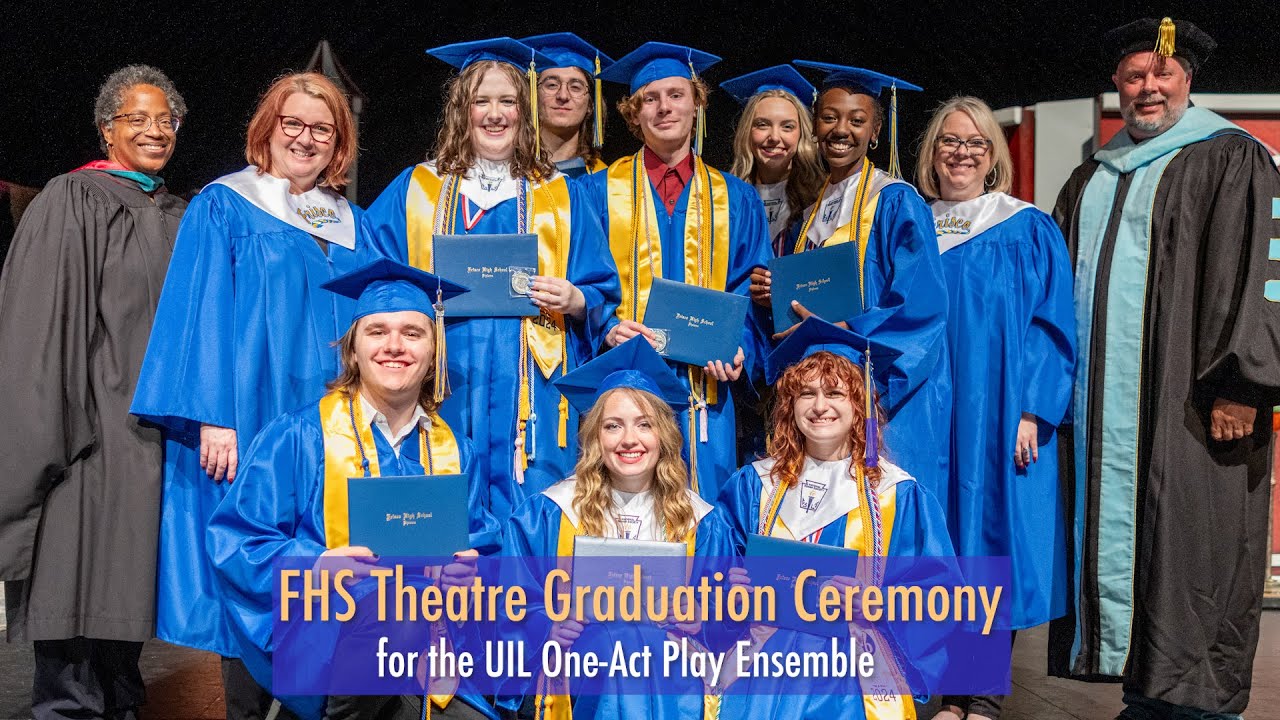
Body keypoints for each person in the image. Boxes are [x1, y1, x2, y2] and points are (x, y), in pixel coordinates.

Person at [1048, 17, 1280, 719]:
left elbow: (1262, 277)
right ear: (1117, 86)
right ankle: (1147, 695)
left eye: (1162, 73)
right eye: (1134, 76)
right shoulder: (1092, 177)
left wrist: (1243, 385)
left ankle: (1203, 706)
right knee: (1141, 551)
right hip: (1104, 414)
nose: (1148, 87)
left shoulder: (1232, 157)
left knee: (1198, 548)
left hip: (1197, 404)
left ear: (1187, 79)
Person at [130, 71, 365, 718]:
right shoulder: (226, 205)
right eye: (293, 124)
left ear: (339, 142)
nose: (306, 139)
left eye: (322, 129)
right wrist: (212, 417)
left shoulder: (354, 223)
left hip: (333, 427)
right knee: (257, 562)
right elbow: (198, 313)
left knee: (326, 557)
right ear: (269, 128)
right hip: (252, 419)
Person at [207, 258, 501, 720]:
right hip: (329, 648)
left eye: (413, 333)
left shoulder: (456, 452)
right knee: (395, 616)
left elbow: (482, 546)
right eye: (377, 331)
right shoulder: (299, 437)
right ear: (353, 350)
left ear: (433, 352)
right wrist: (316, 564)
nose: (394, 346)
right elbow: (236, 542)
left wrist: (470, 573)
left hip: (430, 657)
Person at [363, 37, 619, 527]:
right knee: (442, 486)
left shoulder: (559, 194)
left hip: (532, 389)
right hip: (443, 374)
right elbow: (378, 280)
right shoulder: (417, 188)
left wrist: (576, 298)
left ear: (525, 112)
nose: (495, 114)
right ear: (462, 110)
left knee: (532, 498)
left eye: (508, 101)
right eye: (482, 101)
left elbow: (601, 290)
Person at [0, 64, 187, 720]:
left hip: (147, 449)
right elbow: (39, 334)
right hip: (82, 446)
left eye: (167, 119)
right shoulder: (71, 199)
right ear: (107, 129)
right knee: (73, 631)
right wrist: (43, 450)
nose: (155, 130)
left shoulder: (178, 214)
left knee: (122, 640)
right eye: (138, 118)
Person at [917, 96, 1076, 720]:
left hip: (998, 413)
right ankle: (945, 689)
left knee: (988, 542)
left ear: (993, 156)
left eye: (975, 143)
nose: (961, 153)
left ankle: (979, 693)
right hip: (926, 414)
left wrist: (1033, 410)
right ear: (932, 153)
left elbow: (1050, 323)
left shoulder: (1024, 226)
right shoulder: (910, 224)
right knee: (937, 545)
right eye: (949, 141)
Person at [717, 317, 955, 720]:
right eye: (806, 393)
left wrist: (874, 603)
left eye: (835, 393)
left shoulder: (897, 495)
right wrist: (729, 587)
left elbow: (939, 597)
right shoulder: (753, 486)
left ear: (860, 405)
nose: (819, 406)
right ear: (789, 405)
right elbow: (713, 569)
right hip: (760, 671)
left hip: (853, 677)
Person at [504, 336, 735, 719]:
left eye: (644, 425)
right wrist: (548, 626)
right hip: (582, 676)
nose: (629, 440)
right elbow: (511, 602)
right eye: (613, 426)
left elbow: (731, 621)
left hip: (674, 681)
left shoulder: (702, 522)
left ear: (664, 436)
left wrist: (702, 619)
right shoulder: (549, 513)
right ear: (595, 437)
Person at [583, 41, 773, 503]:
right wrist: (607, 328)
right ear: (634, 114)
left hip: (705, 391)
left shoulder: (737, 198)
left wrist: (739, 349)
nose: (664, 107)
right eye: (650, 98)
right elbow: (584, 281)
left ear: (697, 104)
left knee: (704, 506)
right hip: (626, 386)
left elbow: (750, 294)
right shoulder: (595, 193)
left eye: (675, 95)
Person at [758, 61, 952, 504]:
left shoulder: (896, 201)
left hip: (882, 389)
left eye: (857, 120)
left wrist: (846, 329)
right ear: (815, 126)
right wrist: (775, 296)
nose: (841, 130)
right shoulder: (810, 210)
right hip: (822, 398)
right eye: (829, 117)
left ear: (875, 131)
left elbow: (920, 306)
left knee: (881, 507)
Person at [721, 64, 824, 252]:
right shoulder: (725, 198)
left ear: (802, 134)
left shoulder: (821, 198)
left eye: (787, 127)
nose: (775, 137)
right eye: (762, 124)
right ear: (747, 131)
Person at [521, 33, 614, 178]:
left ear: (591, 104)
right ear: (533, 96)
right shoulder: (509, 176)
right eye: (552, 85)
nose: (563, 96)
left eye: (575, 87)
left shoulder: (606, 181)